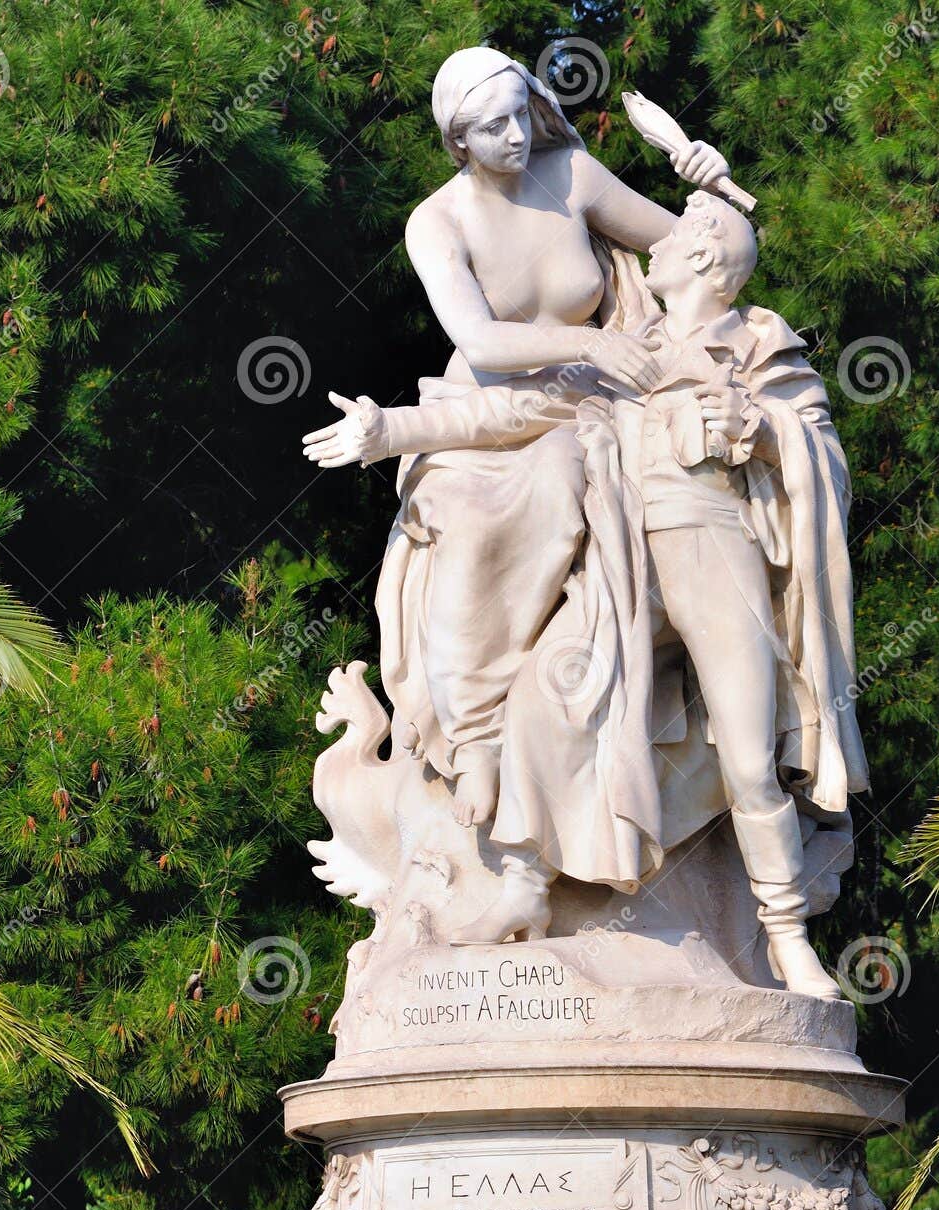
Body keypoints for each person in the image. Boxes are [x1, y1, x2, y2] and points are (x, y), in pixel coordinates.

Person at [308, 194, 869, 1000]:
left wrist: (759, 425)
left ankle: (786, 942)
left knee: (749, 761)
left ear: (706, 257)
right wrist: (390, 430)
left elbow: (819, 448)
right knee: (543, 696)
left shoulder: (755, 342)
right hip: (625, 572)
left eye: (676, 235)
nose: (653, 247)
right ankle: (525, 886)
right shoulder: (623, 347)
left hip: (717, 561)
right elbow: (513, 410)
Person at [304, 46, 729, 829]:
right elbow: (483, 341)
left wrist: (710, 194)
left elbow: (689, 258)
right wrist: (588, 343)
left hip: (582, 407)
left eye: (517, 114)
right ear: (457, 141)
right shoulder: (436, 221)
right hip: (479, 418)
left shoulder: (571, 174)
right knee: (464, 516)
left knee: (570, 481)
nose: (513, 137)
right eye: (489, 126)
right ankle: (472, 742)